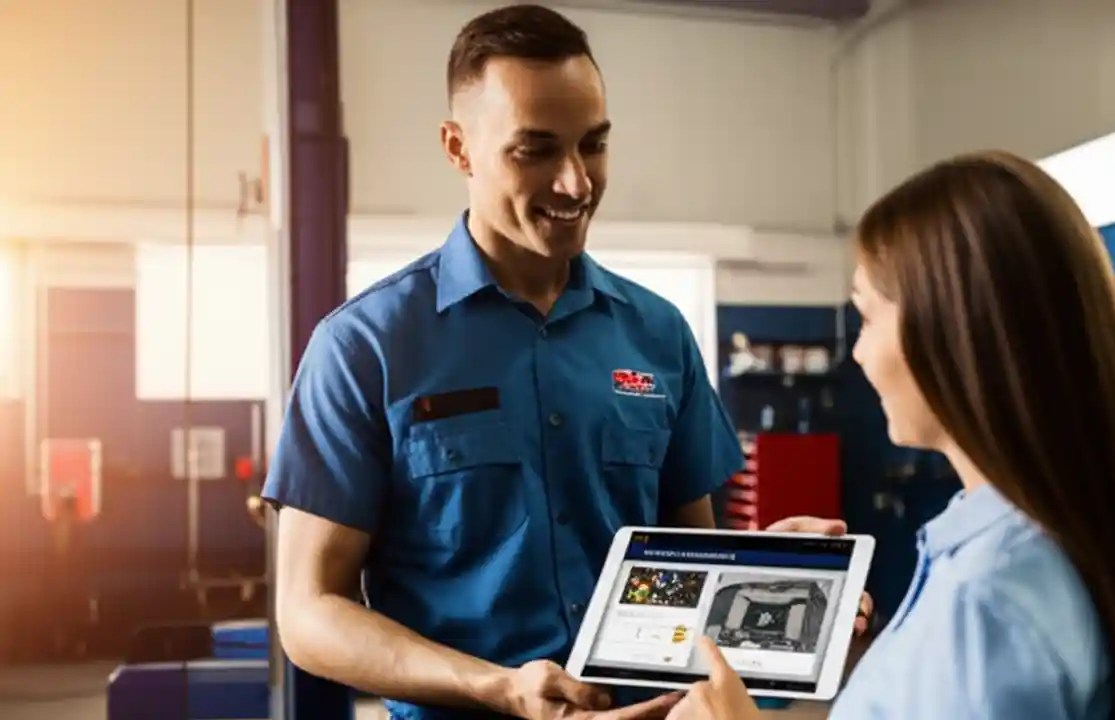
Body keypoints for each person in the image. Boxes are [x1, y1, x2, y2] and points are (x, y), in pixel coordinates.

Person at [262, 5, 864, 720]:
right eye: (535, 150)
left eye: (594, 146)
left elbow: (690, 563)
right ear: (458, 148)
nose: (576, 183)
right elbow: (308, 612)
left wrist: (762, 567)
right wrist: (497, 687)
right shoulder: (366, 348)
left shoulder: (656, 334)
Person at [667, 151, 1115, 720]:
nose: (857, 353)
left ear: (955, 331)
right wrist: (884, 662)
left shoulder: (985, 604)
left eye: (867, 317)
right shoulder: (1028, 547)